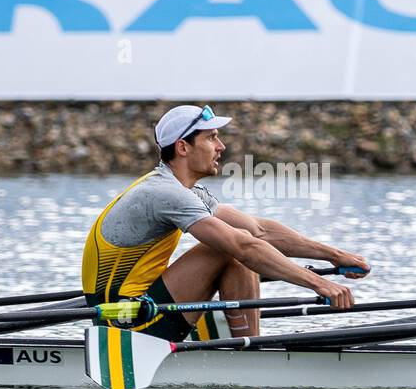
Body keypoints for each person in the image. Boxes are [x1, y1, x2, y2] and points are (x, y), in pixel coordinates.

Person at [82, 104, 369, 342]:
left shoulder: (184, 190)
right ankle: (251, 355)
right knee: (229, 247)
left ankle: (248, 349)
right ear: (182, 147)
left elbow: (260, 231)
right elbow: (242, 244)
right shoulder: (163, 194)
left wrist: (334, 255)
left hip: (143, 306)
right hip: (125, 321)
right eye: (211, 138)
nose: (221, 146)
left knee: (240, 242)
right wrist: (318, 284)